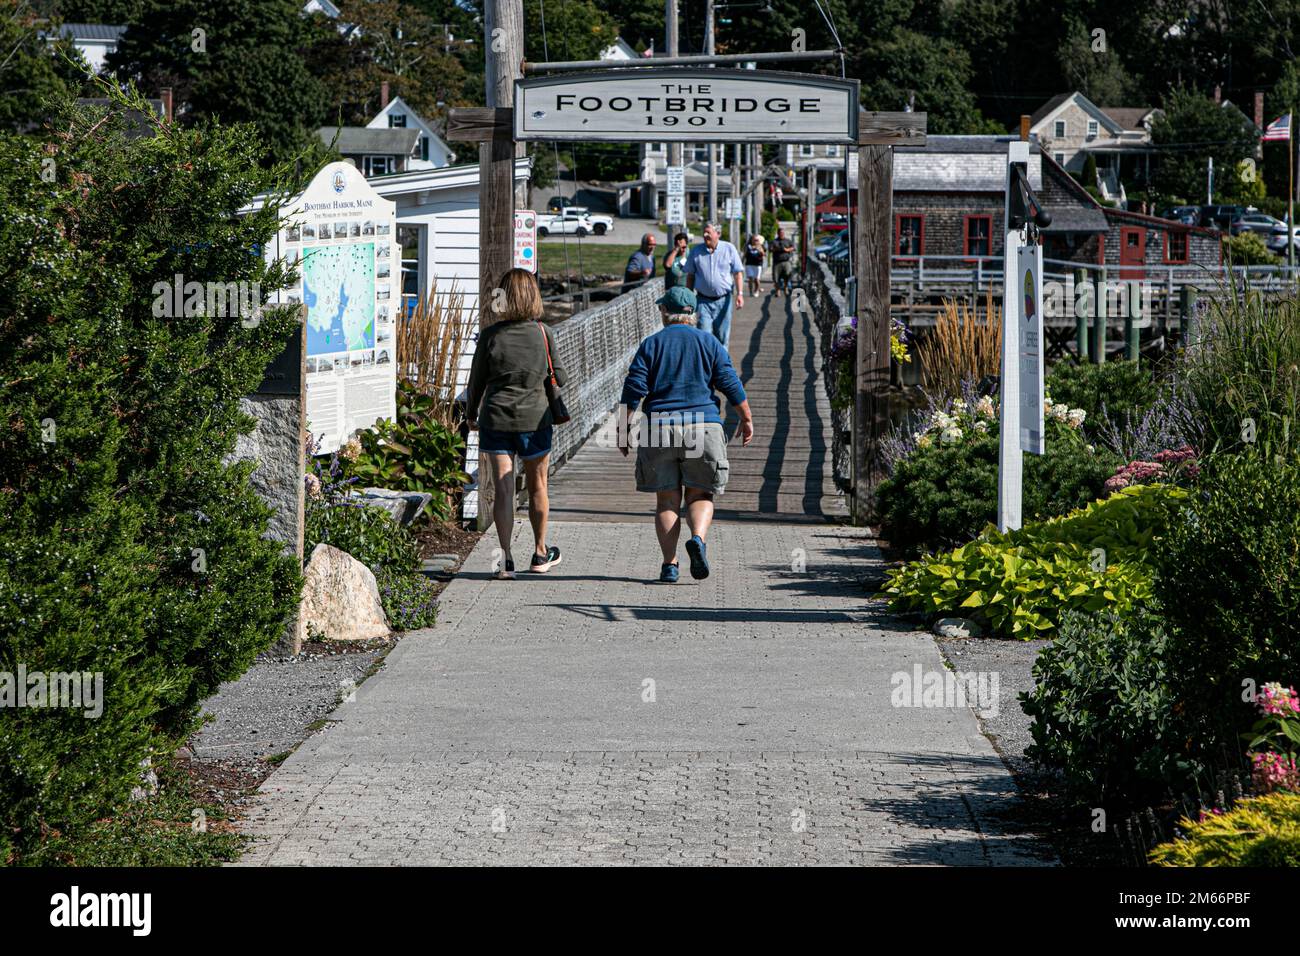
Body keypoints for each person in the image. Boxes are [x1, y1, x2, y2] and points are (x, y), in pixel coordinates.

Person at [619, 285, 754, 583]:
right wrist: (746, 417)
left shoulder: (651, 344)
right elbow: (730, 383)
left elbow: (633, 389)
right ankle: (698, 539)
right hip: (703, 425)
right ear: (692, 312)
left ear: (665, 311)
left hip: (660, 428)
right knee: (700, 494)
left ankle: (670, 565)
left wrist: (621, 428)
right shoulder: (709, 343)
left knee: (666, 501)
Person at [466, 268, 564, 580]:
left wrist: (470, 414)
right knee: (538, 486)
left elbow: (476, 382)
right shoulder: (543, 333)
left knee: (503, 489)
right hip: (535, 420)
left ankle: (505, 559)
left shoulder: (490, 336)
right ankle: (539, 552)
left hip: (496, 419)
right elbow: (560, 377)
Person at [684, 222, 744, 347]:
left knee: (721, 337)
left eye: (708, 232)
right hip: (702, 301)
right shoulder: (696, 251)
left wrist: (740, 294)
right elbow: (690, 276)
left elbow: (737, 273)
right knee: (703, 336)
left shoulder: (729, 249)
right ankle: (707, 365)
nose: (705, 235)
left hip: (723, 301)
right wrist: (689, 298)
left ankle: (721, 365)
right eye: (704, 232)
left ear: (718, 234)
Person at [769, 226, 795, 297]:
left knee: (787, 274)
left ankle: (785, 288)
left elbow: (793, 248)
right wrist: (776, 249)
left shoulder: (788, 241)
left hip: (786, 261)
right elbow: (770, 249)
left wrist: (787, 250)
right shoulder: (774, 241)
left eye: (783, 233)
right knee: (776, 277)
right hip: (777, 262)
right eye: (780, 233)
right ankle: (777, 290)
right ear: (778, 233)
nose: (782, 234)